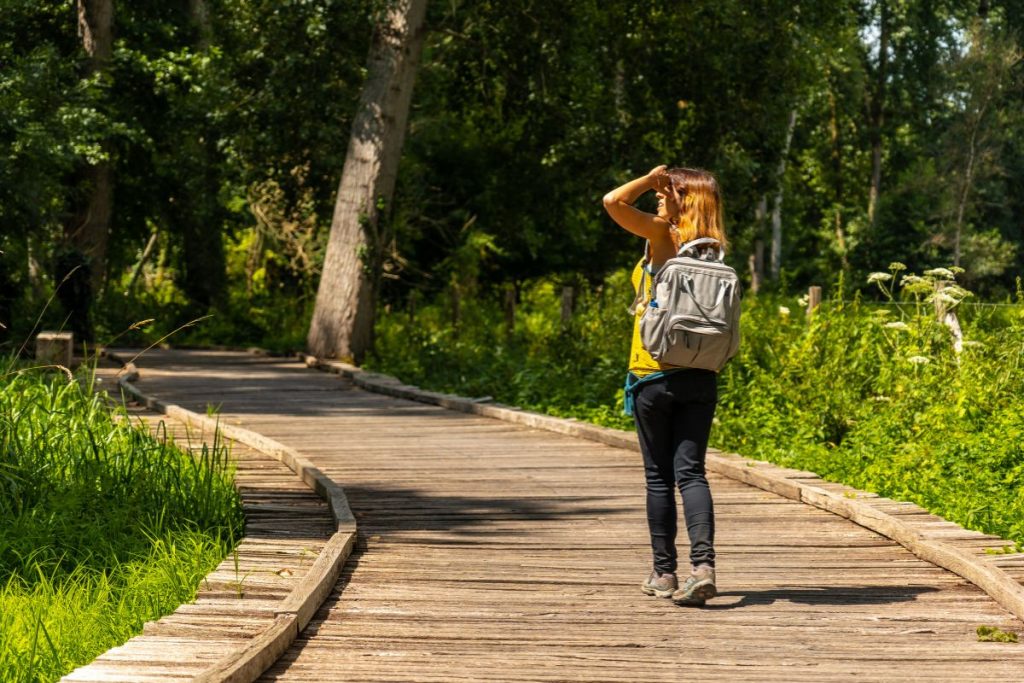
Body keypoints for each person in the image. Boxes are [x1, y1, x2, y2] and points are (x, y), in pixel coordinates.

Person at [601, 165, 728, 606]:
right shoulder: (715, 252)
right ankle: (704, 566)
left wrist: (646, 178)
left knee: (658, 477)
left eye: (666, 192)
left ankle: (664, 573)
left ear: (683, 199)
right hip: (702, 378)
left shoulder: (661, 236)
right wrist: (665, 187)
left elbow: (613, 202)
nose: (658, 197)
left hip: (653, 375)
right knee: (692, 473)